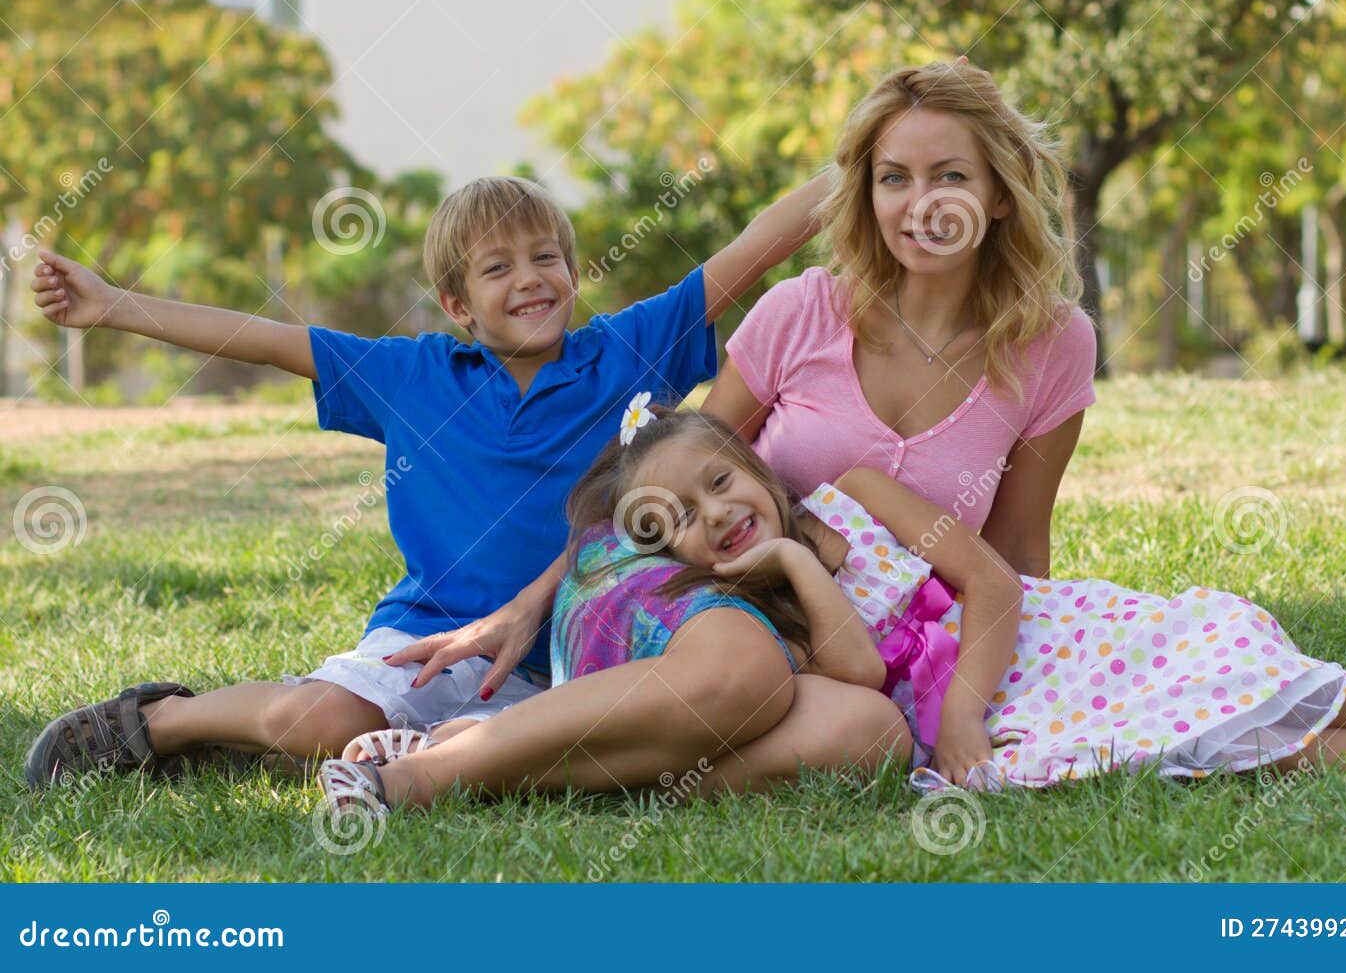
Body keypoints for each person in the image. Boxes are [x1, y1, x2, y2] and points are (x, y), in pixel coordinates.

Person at [318, 406, 1346, 818]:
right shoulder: (753, 597)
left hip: (1041, 637)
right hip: (1006, 697)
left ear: (763, 469)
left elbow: (986, 578)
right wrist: (796, 575)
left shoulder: (862, 490)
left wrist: (972, 700)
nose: (717, 512)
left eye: (726, 481)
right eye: (688, 516)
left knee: (1244, 657)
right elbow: (865, 674)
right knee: (1239, 728)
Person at [384, 60, 1097, 788]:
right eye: (893, 178)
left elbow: (1014, 552)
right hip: (690, 575)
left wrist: (988, 699)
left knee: (869, 732)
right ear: (865, 192)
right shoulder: (802, 311)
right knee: (748, 670)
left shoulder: (1054, 345)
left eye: (950, 176)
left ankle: (506, 753)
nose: (920, 206)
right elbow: (663, 475)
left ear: (1000, 193)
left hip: (826, 643)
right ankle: (432, 777)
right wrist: (530, 604)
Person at [24, 170, 828, 787]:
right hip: (429, 638)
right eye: (497, 268)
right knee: (305, 716)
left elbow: (756, 247)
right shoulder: (415, 375)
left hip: (576, 659)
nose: (530, 279)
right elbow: (265, 340)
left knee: (502, 763)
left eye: (547, 257)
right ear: (456, 302)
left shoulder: (627, 350)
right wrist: (114, 306)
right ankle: (166, 719)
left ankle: (353, 755)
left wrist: (861, 164)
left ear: (576, 273)